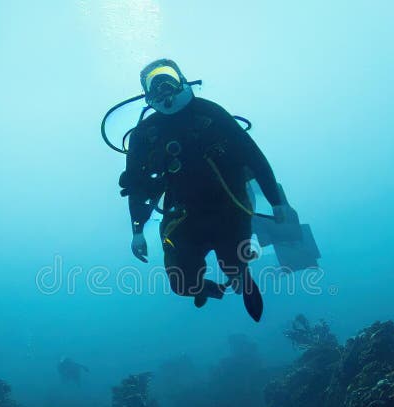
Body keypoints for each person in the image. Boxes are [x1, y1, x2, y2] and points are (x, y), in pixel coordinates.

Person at [118, 59, 291, 321]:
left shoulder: (210, 113)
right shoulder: (144, 134)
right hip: (184, 215)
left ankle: (242, 278)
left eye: (168, 80)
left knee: (235, 266)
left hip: (229, 207)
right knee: (181, 283)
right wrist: (137, 231)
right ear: (148, 95)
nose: (164, 89)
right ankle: (206, 290)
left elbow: (252, 155)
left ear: (182, 80)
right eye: (156, 85)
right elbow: (135, 185)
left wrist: (276, 201)